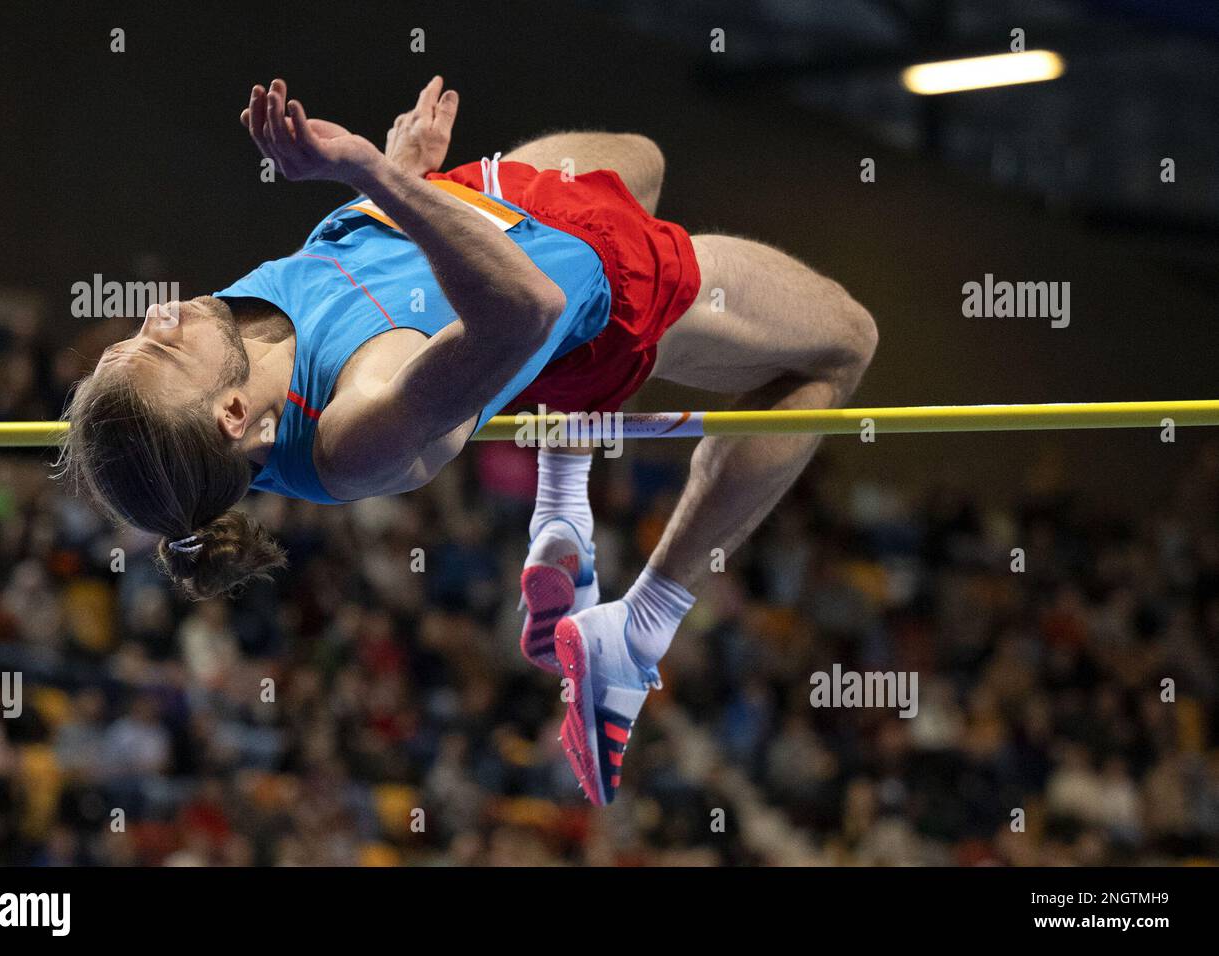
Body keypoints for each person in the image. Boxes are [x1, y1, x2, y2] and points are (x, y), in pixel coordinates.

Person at [59, 76, 877, 803]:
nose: (159, 313)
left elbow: (347, 275)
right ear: (233, 417)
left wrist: (398, 174)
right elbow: (528, 310)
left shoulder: (222, 344)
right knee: (846, 341)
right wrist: (367, 171)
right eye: (162, 345)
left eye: (134, 334)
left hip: (473, 204)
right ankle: (639, 627)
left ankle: (560, 510)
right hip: (590, 279)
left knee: (643, 159)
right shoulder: (355, 433)